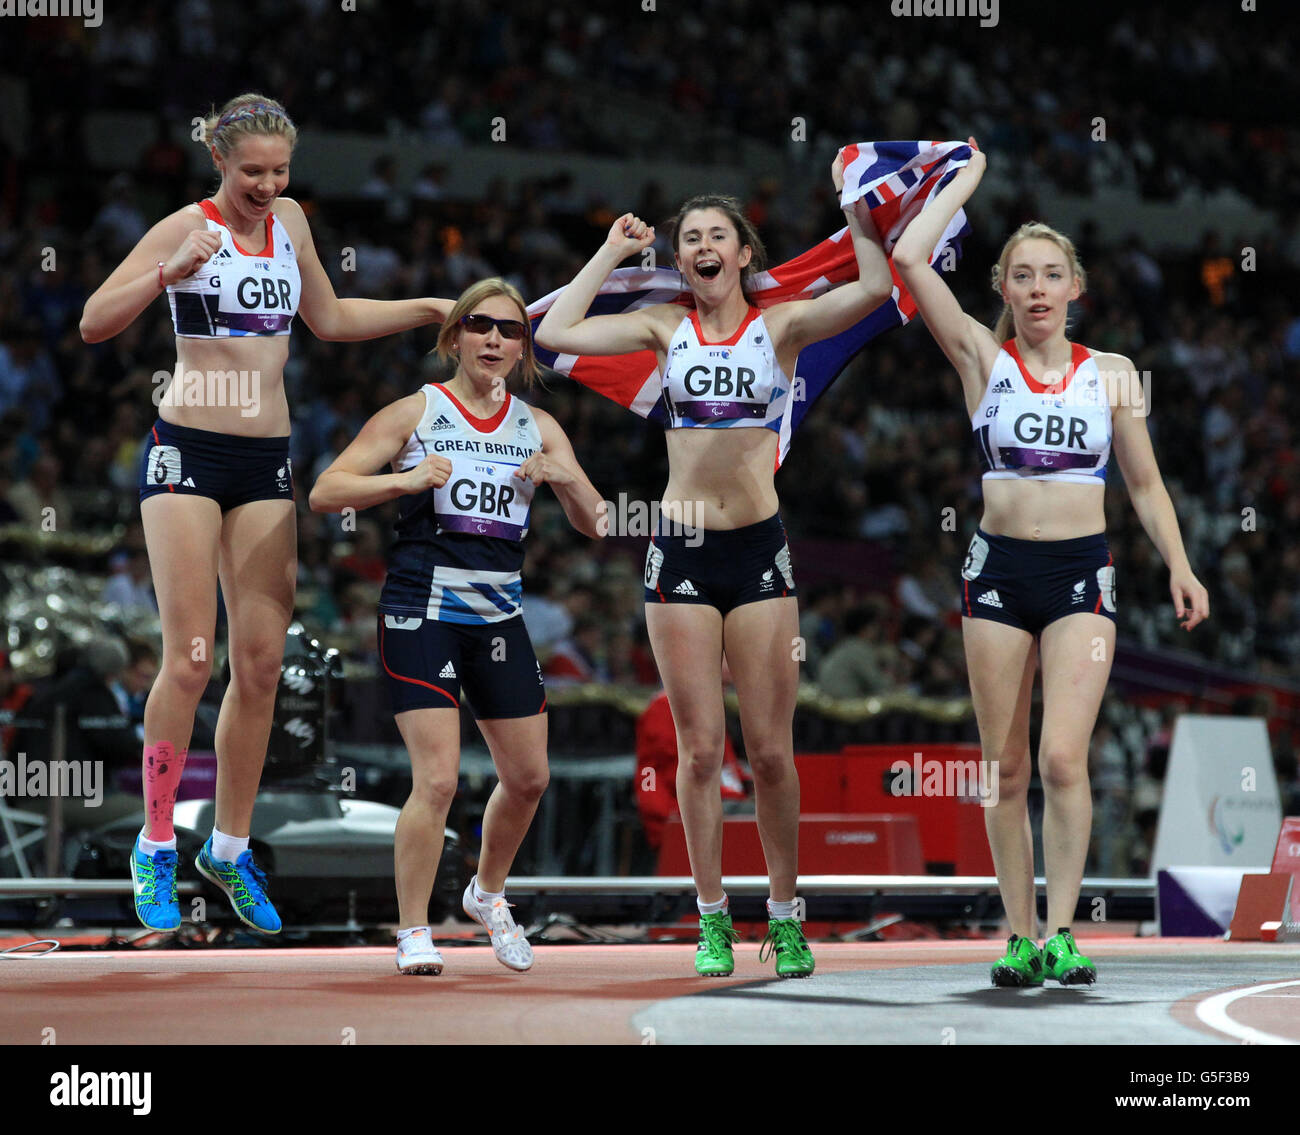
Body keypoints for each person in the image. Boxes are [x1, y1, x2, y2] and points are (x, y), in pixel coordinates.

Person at [80, 93, 452, 936]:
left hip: (264, 462)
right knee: (189, 660)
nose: (267, 184)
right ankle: (155, 842)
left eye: (279, 171)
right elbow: (94, 321)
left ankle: (231, 844)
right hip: (187, 451)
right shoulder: (185, 223)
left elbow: (329, 318)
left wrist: (427, 310)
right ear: (218, 160)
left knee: (259, 666)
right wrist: (167, 272)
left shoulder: (290, 223)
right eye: (252, 172)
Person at [536, 157, 893, 978]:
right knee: (700, 751)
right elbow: (553, 334)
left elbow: (874, 289)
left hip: (760, 549)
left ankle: (786, 912)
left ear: (741, 255)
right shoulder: (665, 326)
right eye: (688, 237)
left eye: (714, 237)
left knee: (770, 752)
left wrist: (860, 207)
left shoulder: (783, 327)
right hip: (682, 550)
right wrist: (612, 253)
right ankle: (709, 915)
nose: (699, 246)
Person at [892, 138, 1209, 987]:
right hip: (996, 575)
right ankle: (1020, 937)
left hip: (1080, 575)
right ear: (1003, 288)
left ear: (1075, 289)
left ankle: (1066, 931)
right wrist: (968, 177)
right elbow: (909, 256)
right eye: (1021, 275)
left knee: (1064, 758)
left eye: (1050, 275)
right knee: (1004, 765)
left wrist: (1179, 565)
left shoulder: (1113, 374)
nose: (1036, 289)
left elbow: (1145, 484)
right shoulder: (979, 358)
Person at [310, 278, 605, 976]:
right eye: (479, 326)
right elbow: (325, 490)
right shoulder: (418, 411)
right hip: (423, 609)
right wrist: (402, 482)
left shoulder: (539, 424)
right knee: (437, 780)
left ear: (523, 347)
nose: (494, 339)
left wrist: (563, 476)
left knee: (530, 776)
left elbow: (597, 523)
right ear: (455, 338)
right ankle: (413, 929)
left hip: (499, 616)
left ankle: (486, 891)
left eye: (509, 329)